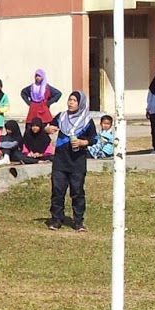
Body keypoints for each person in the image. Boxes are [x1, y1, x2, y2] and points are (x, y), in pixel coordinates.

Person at [46, 91, 96, 231]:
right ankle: (56, 219)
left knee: (77, 192)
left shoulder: (87, 121)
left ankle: (78, 221)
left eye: (74, 100)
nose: (71, 102)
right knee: (57, 191)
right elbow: (48, 127)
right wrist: (48, 129)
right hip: (60, 162)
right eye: (69, 100)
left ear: (80, 103)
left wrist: (82, 142)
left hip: (77, 163)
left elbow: (94, 139)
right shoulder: (61, 117)